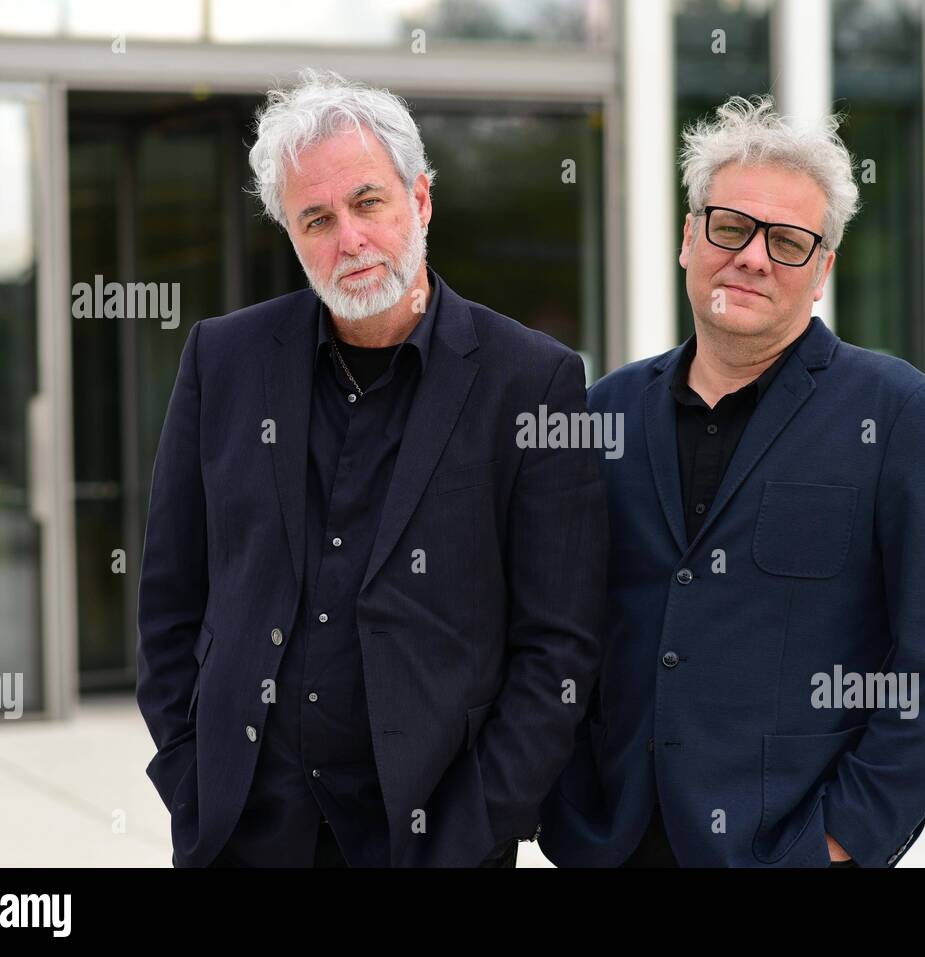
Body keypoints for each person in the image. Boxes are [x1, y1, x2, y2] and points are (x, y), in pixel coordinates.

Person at [136, 69, 607, 867]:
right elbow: (171, 601)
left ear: (419, 201)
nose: (347, 239)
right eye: (315, 218)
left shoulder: (534, 381)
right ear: (290, 233)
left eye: (367, 203)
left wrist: (467, 835)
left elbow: (558, 647)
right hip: (244, 838)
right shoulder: (223, 360)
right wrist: (193, 782)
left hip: (431, 841)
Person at [538, 95, 925, 868]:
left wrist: (841, 839)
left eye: (788, 241)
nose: (751, 256)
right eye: (730, 226)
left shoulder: (902, 416)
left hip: (788, 848)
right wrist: (568, 805)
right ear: (689, 238)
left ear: (822, 271)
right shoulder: (603, 410)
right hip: (614, 844)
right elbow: (555, 625)